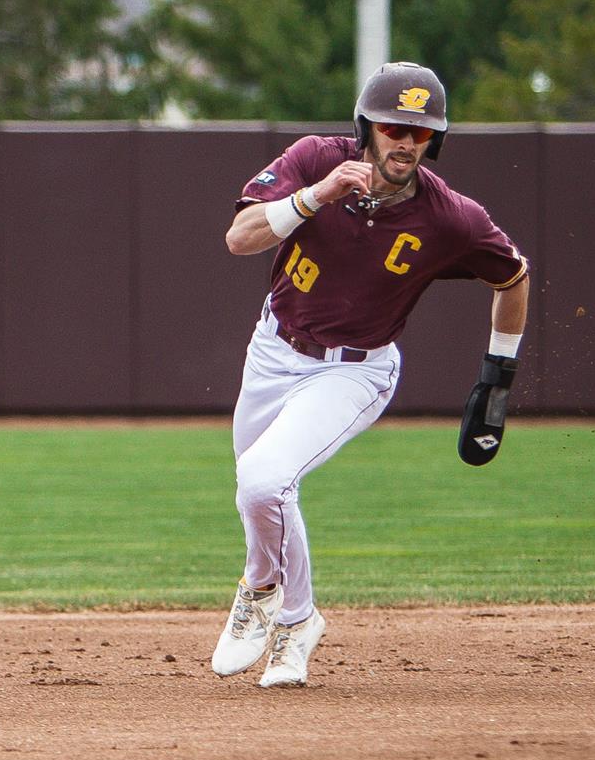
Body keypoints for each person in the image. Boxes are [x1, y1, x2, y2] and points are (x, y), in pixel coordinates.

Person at [210, 62, 530, 688]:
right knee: (268, 491)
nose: (405, 141)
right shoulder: (313, 159)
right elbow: (240, 237)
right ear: (367, 127)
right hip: (274, 349)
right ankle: (297, 623)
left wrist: (498, 376)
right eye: (393, 127)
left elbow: (513, 276)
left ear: (434, 141)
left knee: (262, 481)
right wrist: (316, 196)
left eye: (420, 131)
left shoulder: (450, 217)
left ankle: (260, 586)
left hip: (353, 372)